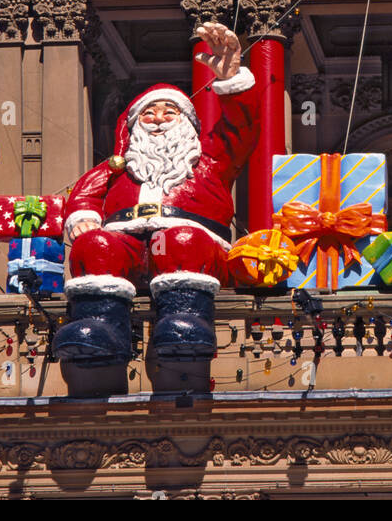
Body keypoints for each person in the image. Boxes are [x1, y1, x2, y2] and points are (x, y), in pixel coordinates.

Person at [53, 20, 258, 365]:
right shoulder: (121, 167)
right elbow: (85, 193)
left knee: (182, 241)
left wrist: (230, 80)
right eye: (148, 113)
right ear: (133, 126)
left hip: (192, 247)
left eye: (170, 111)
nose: (159, 118)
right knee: (97, 246)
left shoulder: (210, 161)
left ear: (187, 124)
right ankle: (98, 327)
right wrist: (83, 217)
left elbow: (241, 129)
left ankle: (186, 323)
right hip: (127, 244)